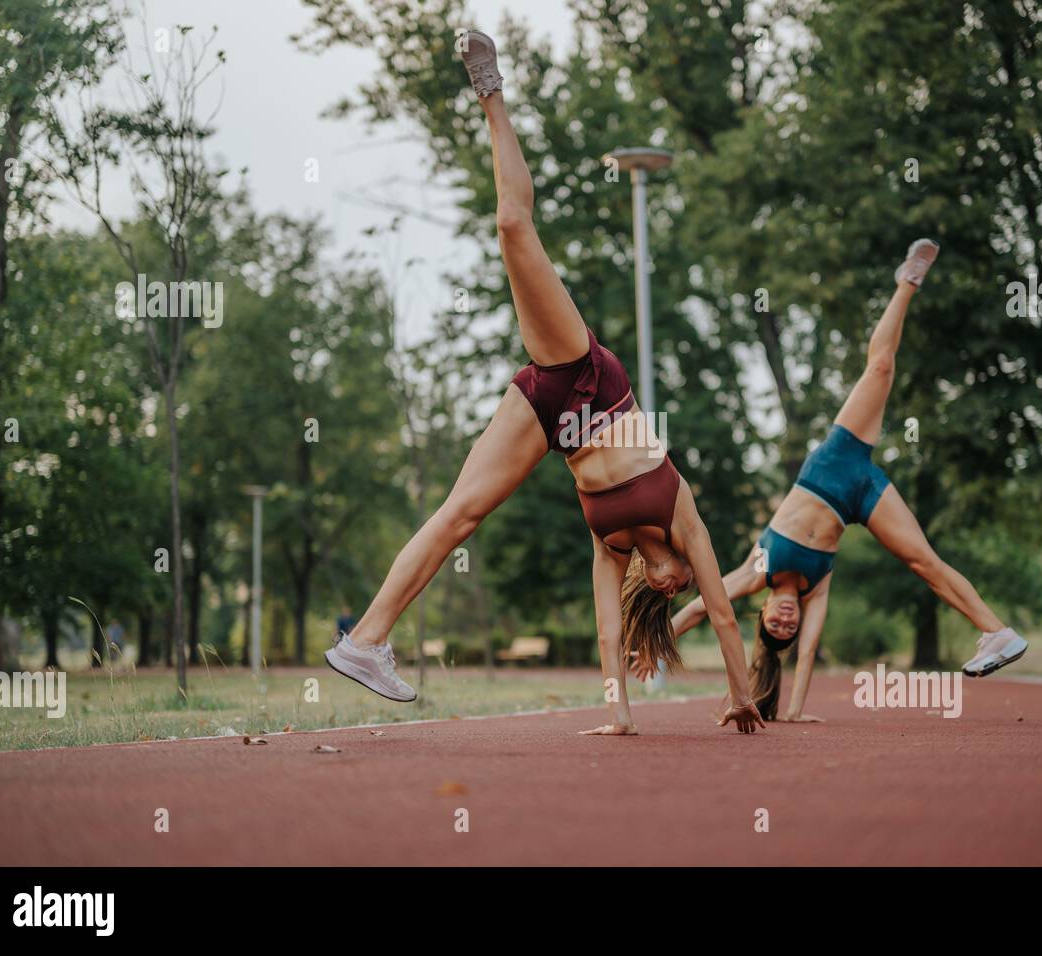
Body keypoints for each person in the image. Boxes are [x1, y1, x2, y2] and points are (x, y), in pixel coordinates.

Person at [326, 30, 763, 735]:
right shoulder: (683, 513)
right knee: (512, 227)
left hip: (551, 422)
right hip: (586, 378)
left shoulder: (613, 549)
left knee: (459, 515)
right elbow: (722, 610)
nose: (671, 584)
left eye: (662, 592)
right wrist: (743, 694)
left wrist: (618, 716)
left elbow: (605, 628)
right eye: (675, 581)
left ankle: (365, 642)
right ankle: (491, 92)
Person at [667, 241, 1028, 720]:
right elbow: (810, 650)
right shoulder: (815, 590)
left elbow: (699, 609)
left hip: (832, 467)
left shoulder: (759, 567)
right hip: (859, 496)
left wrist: (655, 639)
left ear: (763, 614)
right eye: (786, 630)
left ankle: (907, 282)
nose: (784, 621)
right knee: (924, 563)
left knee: (880, 366)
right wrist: (793, 713)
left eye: (773, 623)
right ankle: (997, 633)